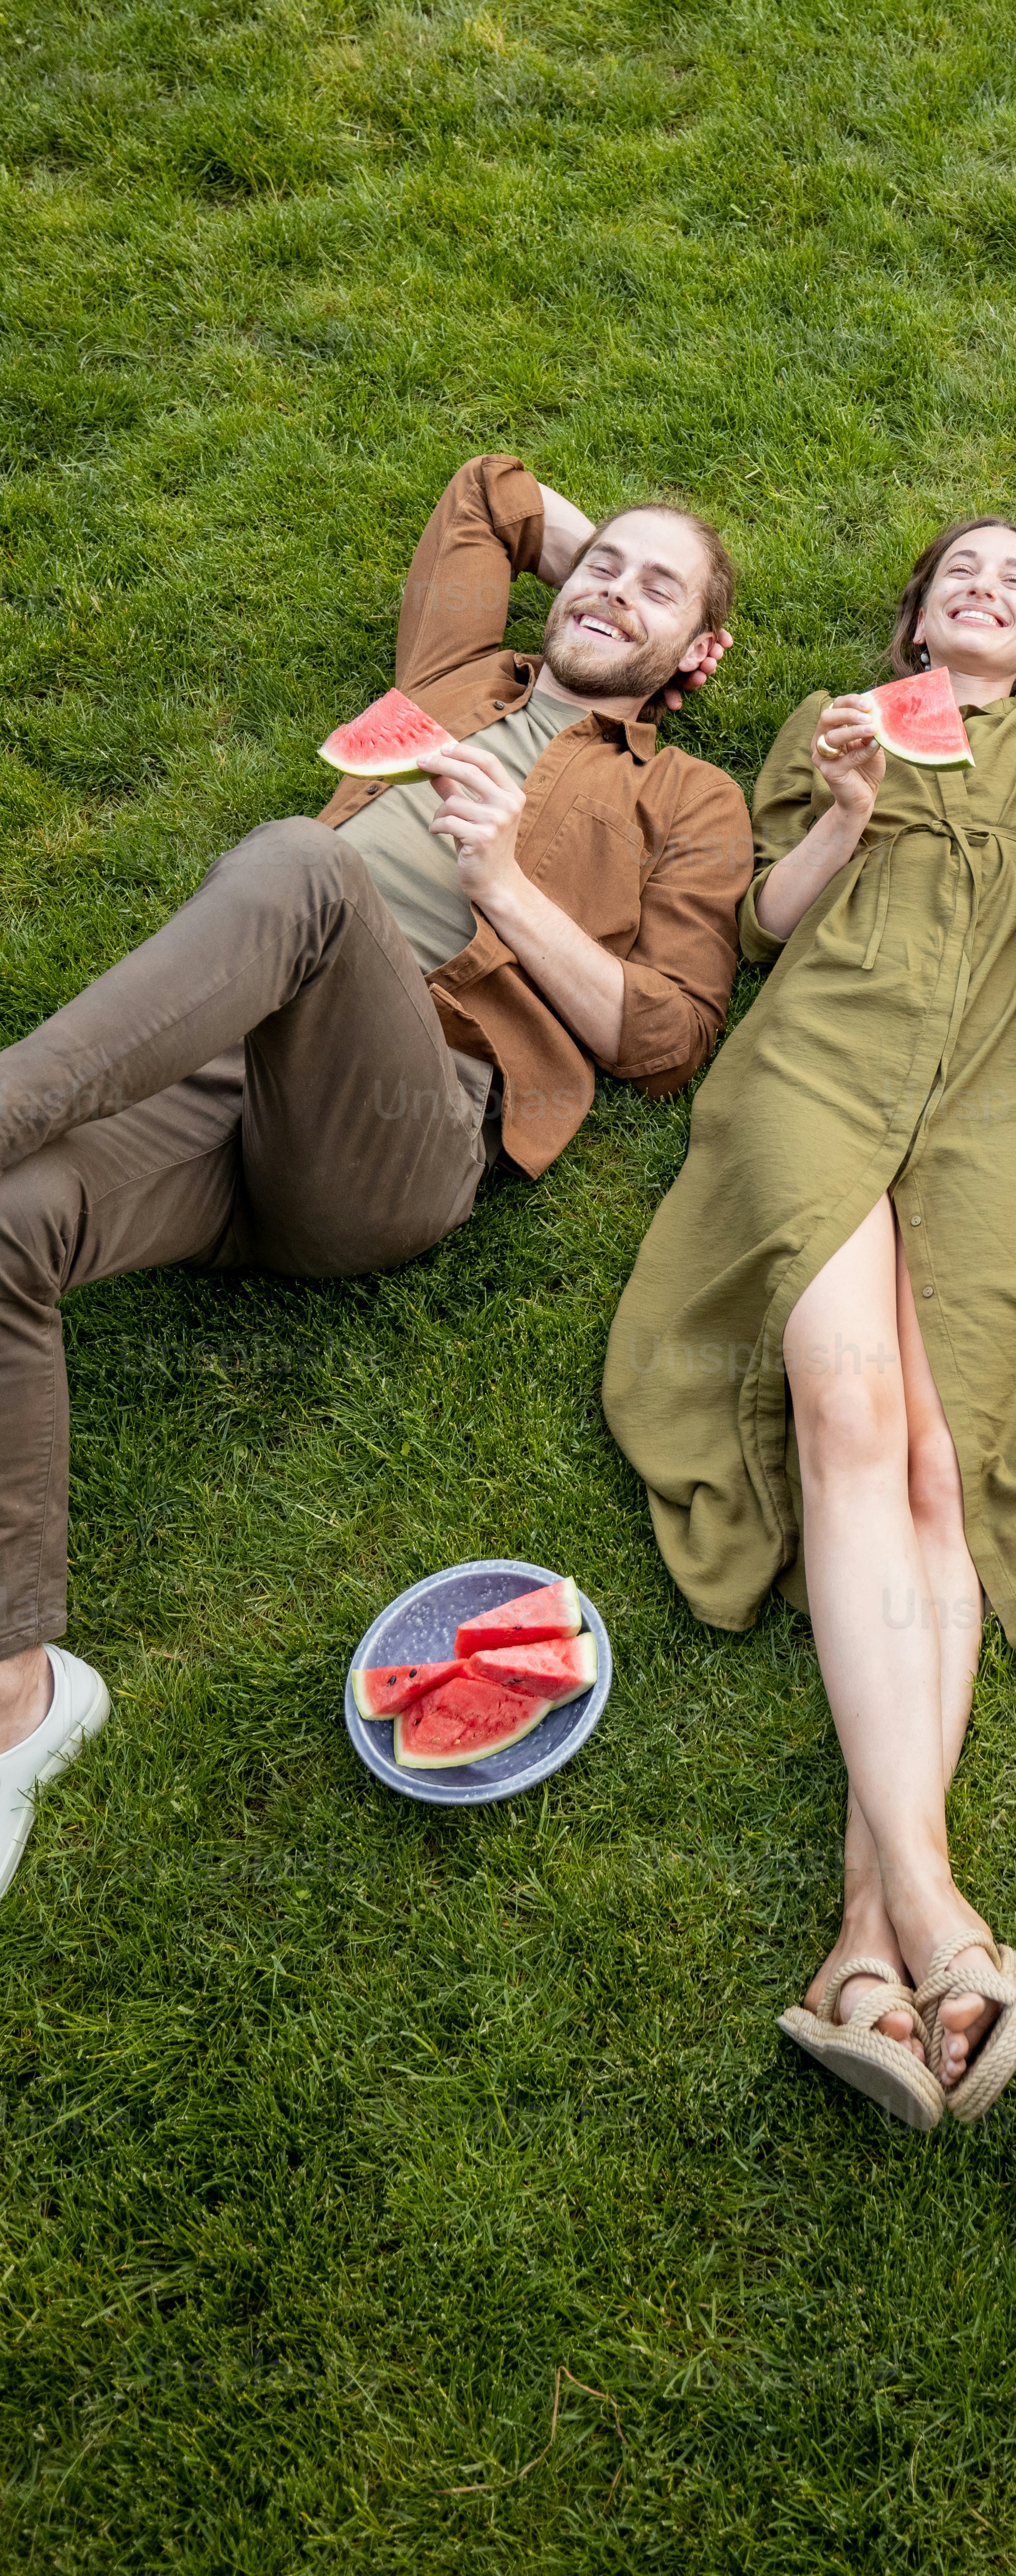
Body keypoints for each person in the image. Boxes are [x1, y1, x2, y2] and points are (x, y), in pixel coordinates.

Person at [0, 453, 751, 1899]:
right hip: (216, 1075)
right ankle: (27, 1695)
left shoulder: (694, 799)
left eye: (663, 592)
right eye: (604, 568)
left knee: (301, 863)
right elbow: (487, 494)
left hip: (408, 1124)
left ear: (703, 656)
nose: (611, 588)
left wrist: (505, 886)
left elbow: (668, 1037)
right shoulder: (465, 673)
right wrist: (611, 577)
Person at [604, 520, 1016, 2133]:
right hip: (820, 1069)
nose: (980, 583)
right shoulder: (839, 716)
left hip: (1001, 1101)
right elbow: (769, 920)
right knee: (851, 1417)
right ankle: (940, 1918)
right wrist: (857, 806)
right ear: (907, 623)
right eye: (954, 570)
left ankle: (865, 1948)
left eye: (1014, 584)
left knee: (955, 1462)